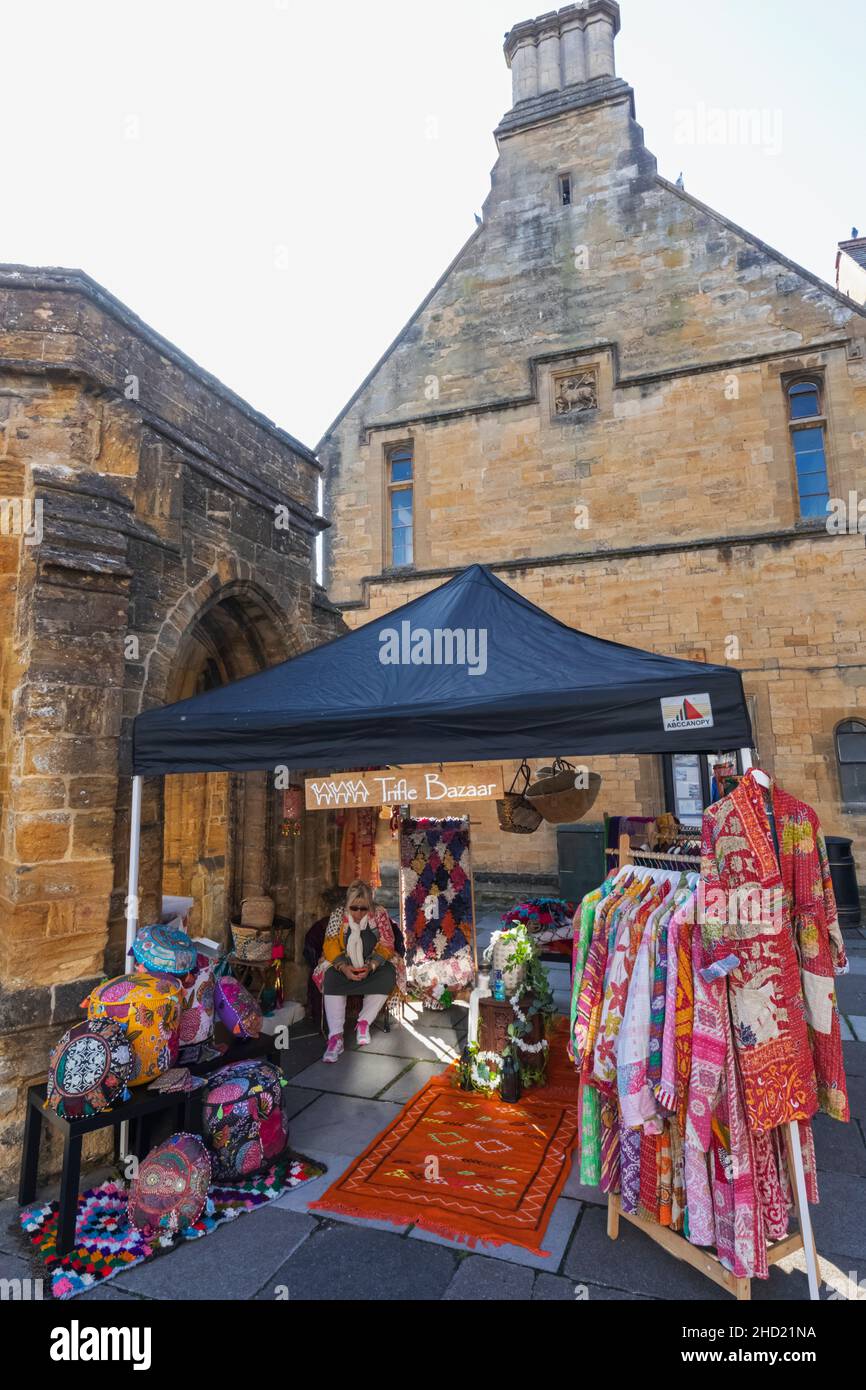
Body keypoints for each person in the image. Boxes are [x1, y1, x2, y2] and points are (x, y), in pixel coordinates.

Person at [311, 880, 405, 1063]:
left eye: (364, 908)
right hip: (343, 963)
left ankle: (363, 1023)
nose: (359, 913)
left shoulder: (379, 913)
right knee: (330, 978)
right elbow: (329, 943)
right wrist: (343, 967)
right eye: (354, 908)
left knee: (387, 976)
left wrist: (371, 966)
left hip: (372, 963)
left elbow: (387, 942)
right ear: (348, 905)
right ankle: (335, 1038)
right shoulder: (339, 914)